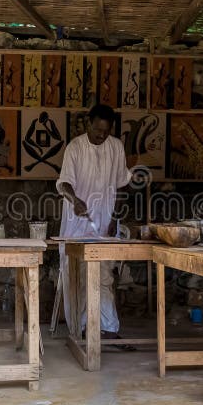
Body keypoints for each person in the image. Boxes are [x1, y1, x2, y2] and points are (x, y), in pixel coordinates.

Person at [57, 104, 133, 348]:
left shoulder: (116, 147)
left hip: (105, 224)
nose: (101, 135)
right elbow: (64, 184)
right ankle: (79, 330)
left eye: (106, 131)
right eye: (98, 129)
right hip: (77, 224)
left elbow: (122, 185)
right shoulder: (75, 148)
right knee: (76, 276)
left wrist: (115, 218)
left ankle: (108, 329)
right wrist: (75, 200)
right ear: (88, 123)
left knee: (104, 278)